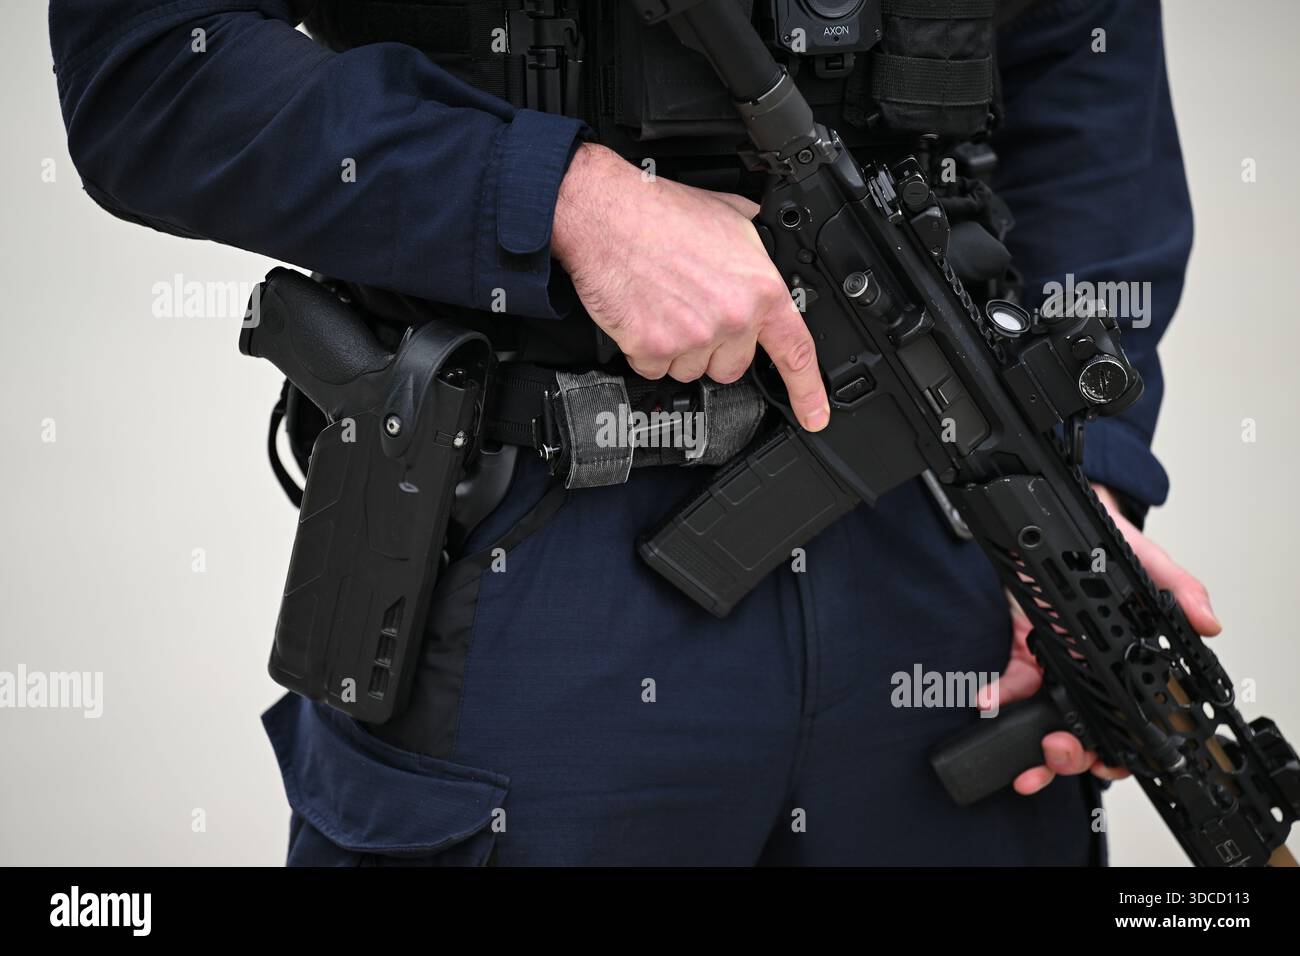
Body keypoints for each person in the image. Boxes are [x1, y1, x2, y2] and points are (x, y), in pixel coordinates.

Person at [50, 0, 1214, 865]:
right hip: (529, 546)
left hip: (943, 544)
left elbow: (1084, 95)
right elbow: (155, 59)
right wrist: (555, 198)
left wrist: (1074, 489)